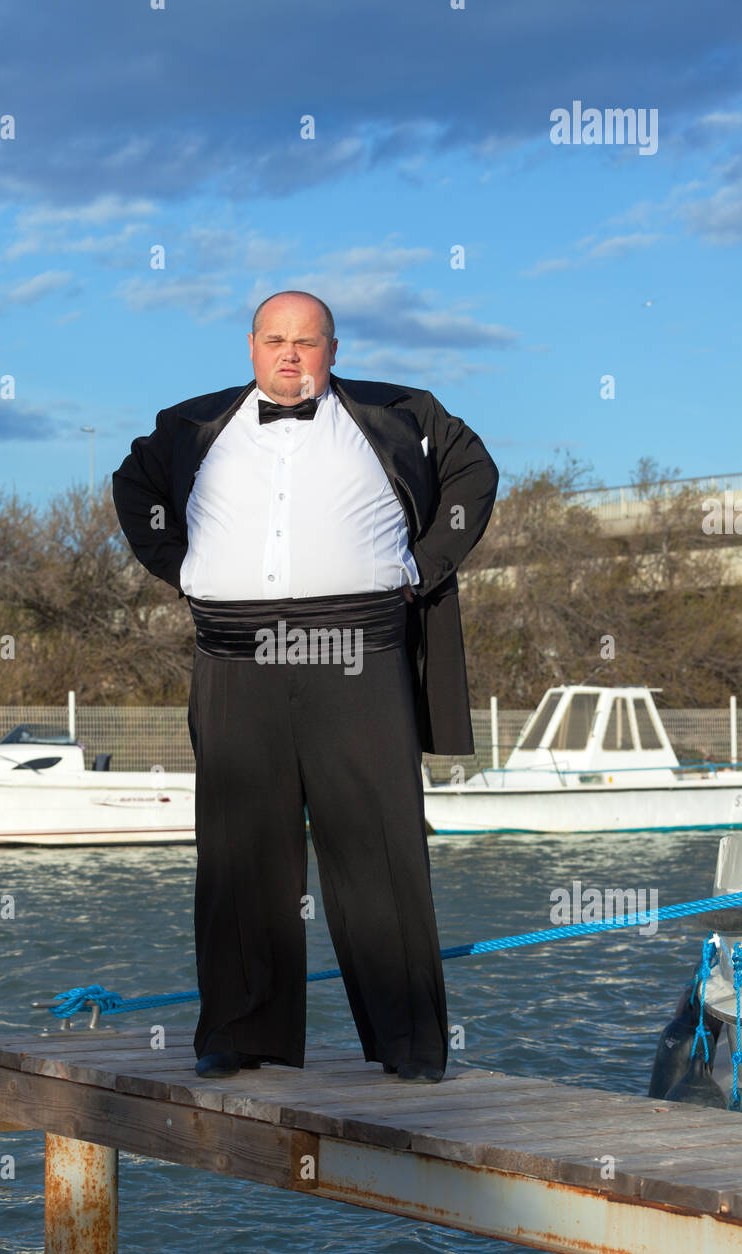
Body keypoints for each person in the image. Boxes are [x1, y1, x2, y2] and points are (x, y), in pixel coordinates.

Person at [112, 291, 498, 1083]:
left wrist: (422, 566)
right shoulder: (189, 425)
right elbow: (133, 486)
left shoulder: (402, 413)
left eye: (308, 342)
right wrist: (179, 567)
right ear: (251, 346)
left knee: (378, 847)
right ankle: (241, 1032)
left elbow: (474, 472)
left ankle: (409, 1046)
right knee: (238, 852)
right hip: (233, 653)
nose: (291, 355)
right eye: (276, 340)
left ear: (332, 348)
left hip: (357, 648)